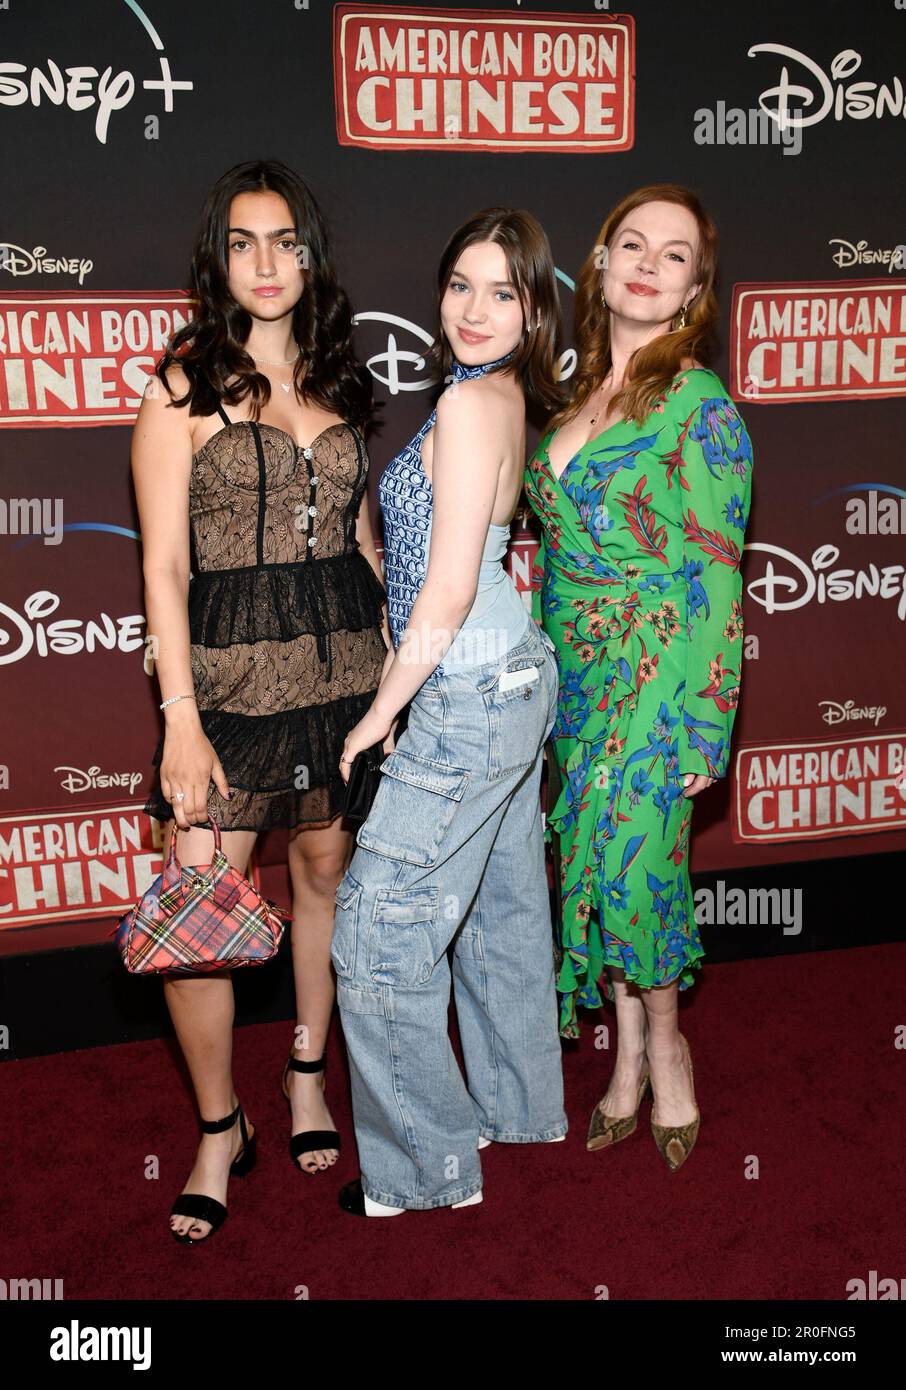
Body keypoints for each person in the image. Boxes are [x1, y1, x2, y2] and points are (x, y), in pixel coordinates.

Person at [133, 159, 390, 1243]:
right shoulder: (183, 385)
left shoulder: (343, 377)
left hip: (343, 678)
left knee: (322, 874)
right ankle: (216, 1124)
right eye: (242, 242)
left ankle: (304, 1075)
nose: (266, 264)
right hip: (228, 691)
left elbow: (363, 541)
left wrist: (396, 680)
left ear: (311, 253)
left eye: (284, 240)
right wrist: (179, 718)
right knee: (199, 920)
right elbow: (163, 571)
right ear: (217, 258)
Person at [331, 208, 568, 1215]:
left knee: (376, 934)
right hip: (514, 674)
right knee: (501, 915)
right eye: (460, 284)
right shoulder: (498, 395)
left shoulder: (472, 406)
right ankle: (518, 1107)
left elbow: (449, 592)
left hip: (465, 691)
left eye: (502, 291)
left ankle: (426, 1170)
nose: (474, 309)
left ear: (535, 308)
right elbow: (448, 561)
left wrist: (380, 713)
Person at [522, 184, 753, 1170]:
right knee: (590, 865)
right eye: (631, 244)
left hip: (661, 672)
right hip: (575, 670)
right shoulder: (576, 396)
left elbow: (717, 571)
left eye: (674, 253)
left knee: (638, 865)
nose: (648, 263)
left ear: (697, 283)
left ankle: (668, 1044)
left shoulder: (700, 406)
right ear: (602, 260)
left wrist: (708, 722)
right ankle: (620, 1062)